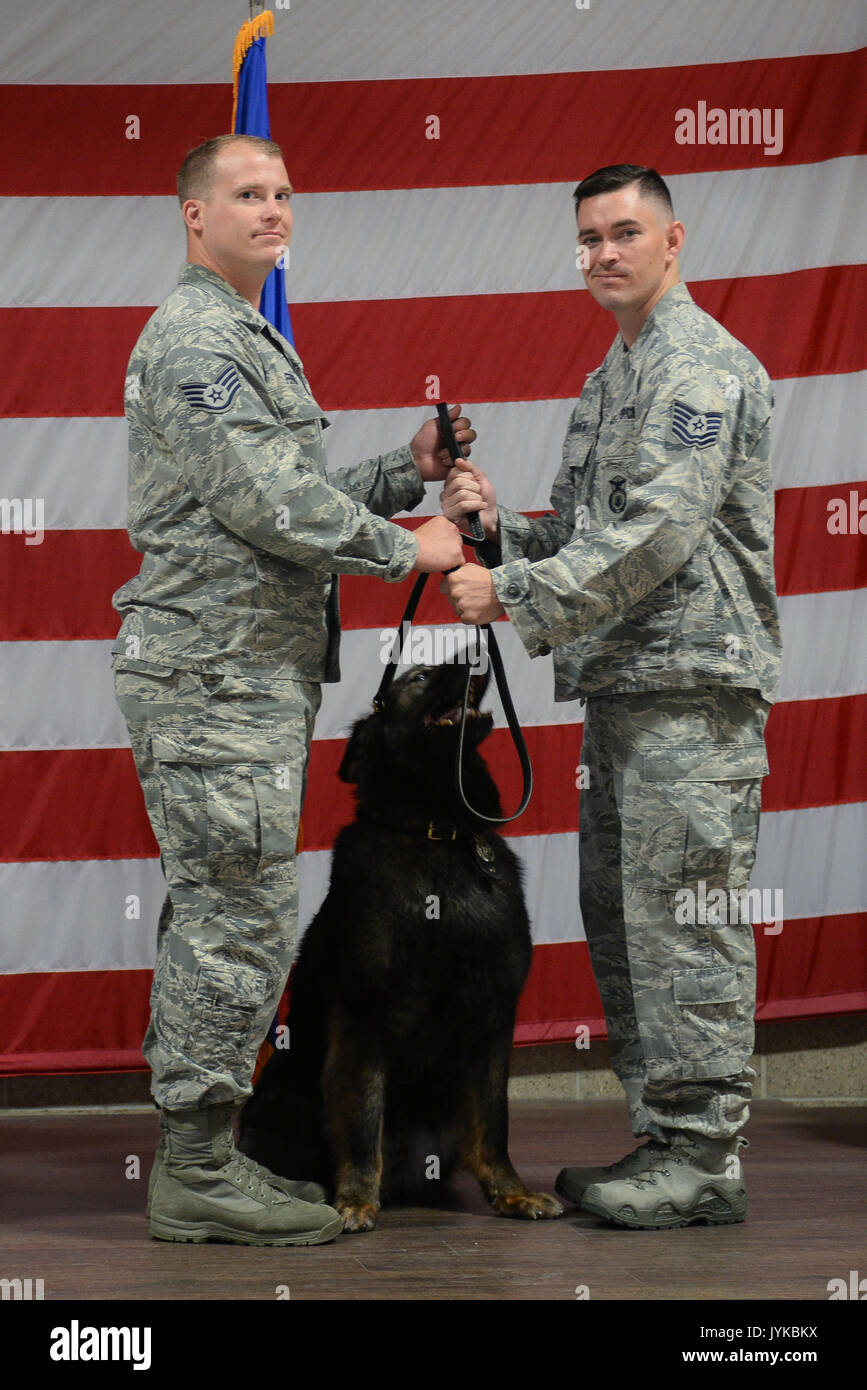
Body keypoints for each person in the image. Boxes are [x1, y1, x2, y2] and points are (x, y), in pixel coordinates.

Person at [111, 133, 469, 1246]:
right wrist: (413, 545)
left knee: (233, 915)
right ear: (192, 214)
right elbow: (269, 503)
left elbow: (290, 486)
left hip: (242, 679)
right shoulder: (196, 342)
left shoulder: (243, 335)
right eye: (246, 194)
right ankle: (197, 1170)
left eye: (282, 195)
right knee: (235, 922)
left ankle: (207, 1155)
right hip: (214, 680)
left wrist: (399, 470)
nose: (273, 212)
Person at [439, 164, 781, 1230]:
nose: (604, 253)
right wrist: (504, 533)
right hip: (628, 692)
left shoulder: (697, 369)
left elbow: (664, 534)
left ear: (674, 240)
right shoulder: (612, 375)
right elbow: (596, 534)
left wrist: (517, 592)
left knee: (685, 924)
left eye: (625, 232)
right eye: (588, 237)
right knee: (628, 922)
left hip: (692, 692)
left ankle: (705, 1155)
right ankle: (665, 1136)